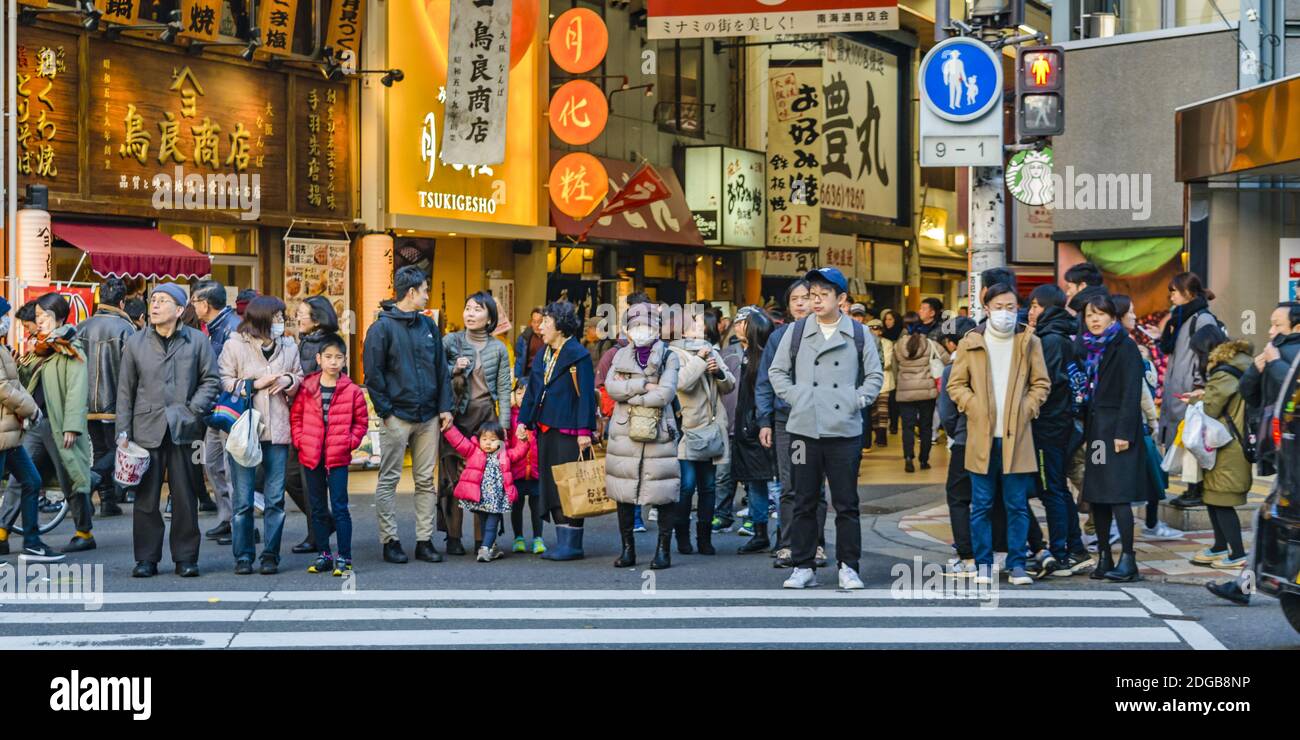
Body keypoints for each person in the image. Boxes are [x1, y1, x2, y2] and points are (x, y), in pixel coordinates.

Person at [769, 267, 885, 589]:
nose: (814, 301)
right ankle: (803, 565)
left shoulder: (860, 335)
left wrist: (856, 399)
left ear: (842, 299)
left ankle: (849, 566)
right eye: (811, 295)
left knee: (846, 502)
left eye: (822, 295)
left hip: (845, 429)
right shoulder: (795, 333)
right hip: (803, 428)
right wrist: (798, 396)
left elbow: (875, 376)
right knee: (803, 498)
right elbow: (777, 372)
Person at [947, 283, 1050, 586]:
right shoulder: (971, 342)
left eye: (1011, 306)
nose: (1005, 313)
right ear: (987, 308)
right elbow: (956, 384)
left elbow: (1041, 383)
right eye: (998, 306)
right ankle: (984, 564)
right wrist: (974, 406)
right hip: (981, 436)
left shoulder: (1030, 341)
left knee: (1017, 504)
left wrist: (1027, 407)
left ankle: (1017, 564)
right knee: (981, 504)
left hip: (1017, 436)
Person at [117, 284, 221, 578]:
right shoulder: (136, 343)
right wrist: (122, 434)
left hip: (185, 428)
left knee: (186, 495)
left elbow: (211, 381)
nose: (155, 305)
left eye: (163, 301)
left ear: (178, 310)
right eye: (153, 300)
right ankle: (146, 558)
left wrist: (191, 410)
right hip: (145, 428)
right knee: (146, 498)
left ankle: (186, 557)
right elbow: (125, 392)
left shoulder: (198, 341)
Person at [363, 267, 455, 565]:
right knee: (389, 479)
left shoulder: (428, 325)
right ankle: (390, 540)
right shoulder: (381, 328)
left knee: (426, 480)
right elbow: (373, 375)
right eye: (425, 290)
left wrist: (444, 407)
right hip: (397, 416)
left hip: (428, 415)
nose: (427, 295)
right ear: (411, 292)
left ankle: (424, 541)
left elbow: (441, 369)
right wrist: (386, 412)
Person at [219, 295, 303, 575]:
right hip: (245, 430)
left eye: (282, 317)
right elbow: (225, 381)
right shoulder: (234, 345)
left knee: (275, 498)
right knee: (242, 499)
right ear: (262, 320)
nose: (281, 323)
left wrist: (288, 381)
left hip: (278, 429)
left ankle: (270, 554)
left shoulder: (289, 345)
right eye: (277, 318)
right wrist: (254, 384)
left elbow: (299, 376)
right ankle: (243, 556)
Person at [11, 293, 96, 555]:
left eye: (45, 316)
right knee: (22, 476)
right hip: (37, 422)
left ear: (59, 317)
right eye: (38, 317)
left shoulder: (70, 347)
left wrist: (72, 425)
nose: (40, 321)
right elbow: (30, 380)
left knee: (71, 477)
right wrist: (17, 366)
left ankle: (84, 532)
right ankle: (3, 531)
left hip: (59, 425)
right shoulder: (42, 347)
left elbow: (76, 389)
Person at [1074, 293, 1152, 583]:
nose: (1093, 319)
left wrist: (1123, 433)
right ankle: (1104, 556)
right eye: (1089, 315)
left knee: (1118, 495)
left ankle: (1128, 559)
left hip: (1118, 432)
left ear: (1112, 317)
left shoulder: (1124, 347)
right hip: (1096, 432)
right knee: (1097, 494)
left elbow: (1131, 393)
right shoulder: (1087, 348)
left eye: (1100, 314)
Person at [516, 301, 597, 560]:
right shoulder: (544, 354)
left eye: (546, 323)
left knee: (570, 483)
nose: (541, 328)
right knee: (551, 484)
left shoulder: (578, 355)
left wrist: (585, 430)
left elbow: (586, 396)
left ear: (560, 326)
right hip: (545, 428)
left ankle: (573, 544)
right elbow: (533, 391)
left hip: (571, 430)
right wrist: (523, 422)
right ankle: (564, 542)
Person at [756, 279, 829, 567]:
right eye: (794, 299)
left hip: (820, 418)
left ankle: (817, 545)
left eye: (806, 297)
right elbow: (765, 381)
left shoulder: (829, 335)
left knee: (816, 486)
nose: (800, 303)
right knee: (789, 483)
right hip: (786, 419)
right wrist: (764, 420)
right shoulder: (779, 337)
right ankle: (787, 544)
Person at [605, 301, 681, 570]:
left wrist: (631, 394)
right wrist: (642, 384)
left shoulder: (669, 356)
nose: (641, 330)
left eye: (646, 325)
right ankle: (628, 550)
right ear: (627, 330)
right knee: (623, 491)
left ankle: (663, 549)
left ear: (657, 328)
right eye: (635, 325)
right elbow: (611, 387)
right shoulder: (620, 355)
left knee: (663, 490)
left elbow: (665, 394)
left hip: (659, 430)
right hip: (624, 431)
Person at [1026, 284, 1094, 576]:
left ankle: (1061, 553)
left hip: (1049, 426)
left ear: (1049, 308)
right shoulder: (1064, 336)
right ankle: (1075, 548)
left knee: (1050, 489)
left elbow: (1047, 386)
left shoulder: (1049, 340)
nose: (1031, 312)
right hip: (1064, 424)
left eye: (1036, 307)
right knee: (1058, 488)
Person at [441, 291, 512, 555]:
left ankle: (485, 540)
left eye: (477, 309)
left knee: (487, 480)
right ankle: (453, 537)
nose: (470, 314)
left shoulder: (499, 348)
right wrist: (453, 370)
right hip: (455, 418)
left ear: (489, 317)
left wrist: (503, 423)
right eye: (467, 308)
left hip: (486, 421)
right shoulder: (451, 341)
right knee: (452, 480)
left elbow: (504, 388)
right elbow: (436, 371)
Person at [291, 333, 367, 576]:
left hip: (338, 457)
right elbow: (296, 417)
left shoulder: (352, 390)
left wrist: (348, 442)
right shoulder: (307, 386)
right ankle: (323, 554)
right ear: (319, 359)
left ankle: (344, 556)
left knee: (340, 506)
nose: (333, 362)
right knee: (317, 507)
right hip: (311, 454)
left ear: (345, 360)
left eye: (338, 357)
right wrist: (301, 441)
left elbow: (361, 422)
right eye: (328, 357)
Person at [1113, 294, 1183, 541]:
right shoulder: (1124, 345)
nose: (1135, 316)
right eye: (1130, 312)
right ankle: (1123, 528)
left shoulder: (1129, 342)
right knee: (1148, 475)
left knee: (1153, 474)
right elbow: (1141, 392)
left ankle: (1148, 524)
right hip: (1135, 425)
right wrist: (1153, 422)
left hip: (1133, 425)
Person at [0, 296, 64, 562]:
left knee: (32, 481)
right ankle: (31, 541)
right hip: (4, 433)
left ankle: (32, 542)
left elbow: (13, 385)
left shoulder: (3, 349)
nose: (6, 322)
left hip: (9, 434)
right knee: (30, 481)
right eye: (4, 316)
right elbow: (4, 390)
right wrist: (32, 409)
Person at [667, 305, 735, 556]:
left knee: (708, 486)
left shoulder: (711, 352)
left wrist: (717, 371)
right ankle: (682, 536)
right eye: (694, 324)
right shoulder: (672, 353)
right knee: (686, 486)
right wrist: (699, 360)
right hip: (687, 429)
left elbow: (730, 385)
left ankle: (704, 538)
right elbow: (681, 382)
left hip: (711, 429)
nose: (700, 328)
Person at [1185, 335, 1255, 570]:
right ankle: (1219, 546)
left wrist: (1198, 399)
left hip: (1227, 443)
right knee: (1214, 496)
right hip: (1233, 440)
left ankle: (1237, 553)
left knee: (1222, 500)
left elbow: (1211, 408)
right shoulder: (1241, 364)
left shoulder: (1224, 373)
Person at [1159, 272, 1221, 508]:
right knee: (1185, 439)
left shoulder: (1202, 319)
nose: (1171, 296)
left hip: (1191, 392)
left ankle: (1197, 489)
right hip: (1179, 389)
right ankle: (1192, 487)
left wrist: (1198, 386)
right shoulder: (1182, 317)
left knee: (1193, 439)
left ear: (1189, 293)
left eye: (1174, 291)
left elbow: (1205, 355)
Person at [76, 277, 135, 518]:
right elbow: (132, 369)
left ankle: (108, 501)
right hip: (115, 402)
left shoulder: (82, 326)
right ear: (122, 302)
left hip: (86, 401)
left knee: (101, 449)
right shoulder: (127, 329)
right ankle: (93, 481)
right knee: (119, 449)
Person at [287, 294, 340, 554]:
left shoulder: (325, 345)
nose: (297, 316)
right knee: (294, 476)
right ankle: (323, 523)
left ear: (316, 318)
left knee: (310, 481)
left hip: (317, 421)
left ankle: (317, 534)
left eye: (302, 313)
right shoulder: (306, 342)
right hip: (301, 419)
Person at [191, 280, 241, 546]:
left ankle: (238, 524)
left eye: (195, 301)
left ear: (205, 304)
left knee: (230, 467)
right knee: (213, 463)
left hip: (230, 408)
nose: (193, 306)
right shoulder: (212, 327)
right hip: (215, 408)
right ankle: (227, 516)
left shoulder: (232, 328)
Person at [443, 417, 528, 562]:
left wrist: (523, 441)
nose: (488, 443)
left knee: (492, 521)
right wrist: (449, 429)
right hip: (480, 496)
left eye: (493, 439)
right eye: (484, 439)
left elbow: (519, 453)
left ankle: (485, 548)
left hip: (497, 497)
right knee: (483, 520)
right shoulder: (473, 450)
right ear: (479, 439)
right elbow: (459, 442)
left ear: (501, 441)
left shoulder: (503, 454)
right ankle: (489, 547)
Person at [730, 306, 778, 556]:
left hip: (761, 426)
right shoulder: (747, 353)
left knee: (775, 483)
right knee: (755, 482)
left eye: (743, 323)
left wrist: (761, 422)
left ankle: (783, 534)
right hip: (748, 427)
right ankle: (760, 533)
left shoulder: (764, 356)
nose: (737, 326)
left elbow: (763, 395)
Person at [1238, 302, 1300, 472]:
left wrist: (1275, 363)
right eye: (1271, 324)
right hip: (1279, 436)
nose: (1271, 331)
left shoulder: (1278, 355)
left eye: (1277, 325)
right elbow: (1250, 394)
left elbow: (1294, 389)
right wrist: (1254, 370)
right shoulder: (1272, 353)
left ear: (1298, 328)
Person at [937, 316, 977, 576]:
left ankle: (967, 553)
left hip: (964, 441)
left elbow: (947, 414)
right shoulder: (989, 363)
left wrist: (955, 434)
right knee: (993, 496)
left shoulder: (952, 369)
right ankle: (1034, 549)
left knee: (958, 497)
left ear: (953, 344)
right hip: (994, 439)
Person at [895, 311, 947, 473]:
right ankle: (924, 460)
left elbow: (895, 368)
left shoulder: (898, 346)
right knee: (926, 426)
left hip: (905, 393)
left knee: (908, 427)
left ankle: (908, 458)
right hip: (926, 393)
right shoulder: (930, 344)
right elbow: (947, 359)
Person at [712, 308, 745, 533]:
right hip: (727, 422)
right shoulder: (726, 354)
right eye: (740, 322)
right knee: (723, 474)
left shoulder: (763, 353)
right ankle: (722, 514)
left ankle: (755, 518)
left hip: (750, 424)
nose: (743, 327)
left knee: (752, 476)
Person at [507, 384, 544, 554]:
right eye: (519, 392)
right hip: (517, 471)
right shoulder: (509, 418)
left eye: (527, 392)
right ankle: (518, 538)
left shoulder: (539, 415)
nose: (522, 396)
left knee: (537, 507)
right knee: (517, 506)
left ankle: (538, 538)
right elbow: (506, 443)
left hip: (536, 471)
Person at [866, 319, 892, 447]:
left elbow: (887, 361)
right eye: (871, 328)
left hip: (884, 381)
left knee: (882, 410)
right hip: (868, 382)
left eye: (876, 328)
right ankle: (877, 433)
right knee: (872, 411)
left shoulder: (887, 343)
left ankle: (882, 436)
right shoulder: (864, 343)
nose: (874, 331)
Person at [881, 309, 903, 434]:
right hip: (888, 373)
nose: (887, 322)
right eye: (886, 319)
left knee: (895, 401)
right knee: (888, 401)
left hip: (900, 371)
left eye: (890, 319)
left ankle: (894, 424)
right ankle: (889, 424)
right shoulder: (883, 334)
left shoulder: (903, 333)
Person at [513, 307, 546, 386]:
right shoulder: (524, 337)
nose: (537, 325)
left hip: (543, 373)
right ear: (531, 322)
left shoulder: (548, 337)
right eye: (534, 322)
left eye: (539, 322)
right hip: (528, 373)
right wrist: (517, 377)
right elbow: (519, 358)